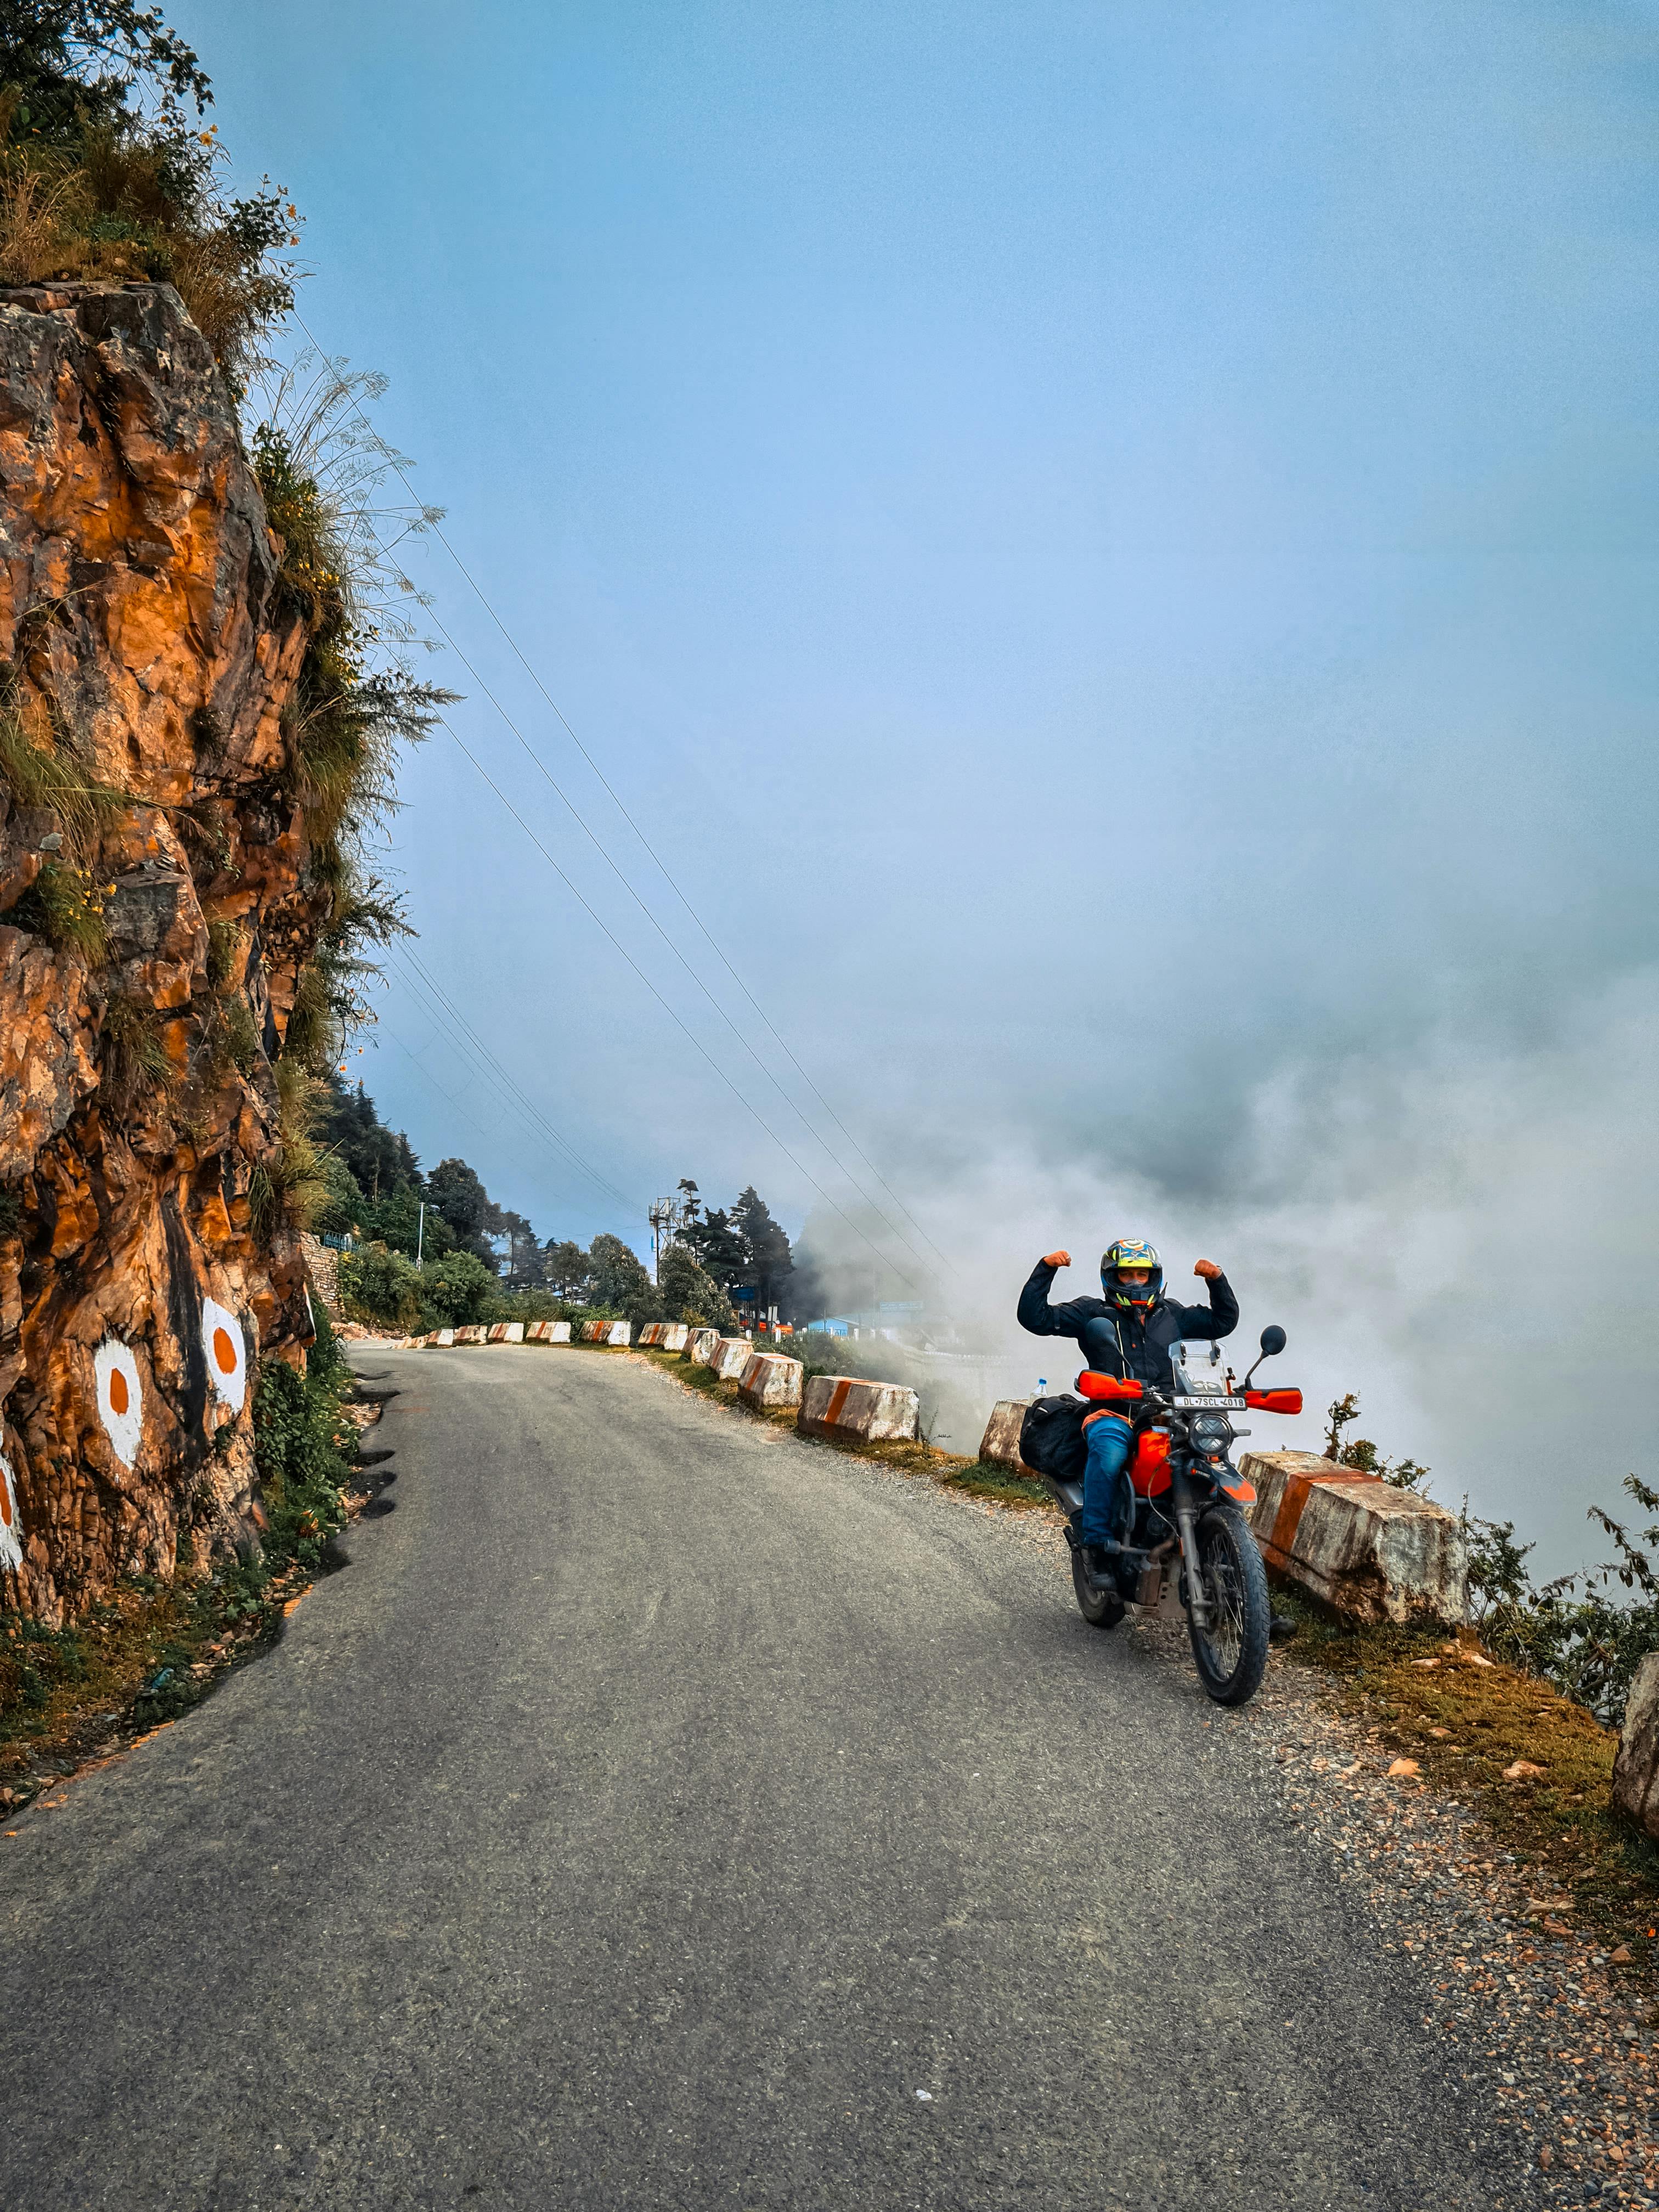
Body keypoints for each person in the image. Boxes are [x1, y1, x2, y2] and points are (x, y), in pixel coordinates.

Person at [1017, 1239, 1239, 1584]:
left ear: (1155, 1277)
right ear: (1111, 1278)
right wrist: (1046, 1268)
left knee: (1211, 1460)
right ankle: (1096, 1548)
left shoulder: (1174, 1314)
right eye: (1126, 1275)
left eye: (1142, 1274)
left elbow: (1222, 1323)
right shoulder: (1093, 1313)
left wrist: (1217, 1280)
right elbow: (1036, 1318)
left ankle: (1243, 1577)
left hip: (1171, 1417)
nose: (1136, 1282)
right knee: (1109, 1453)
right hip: (1114, 1413)